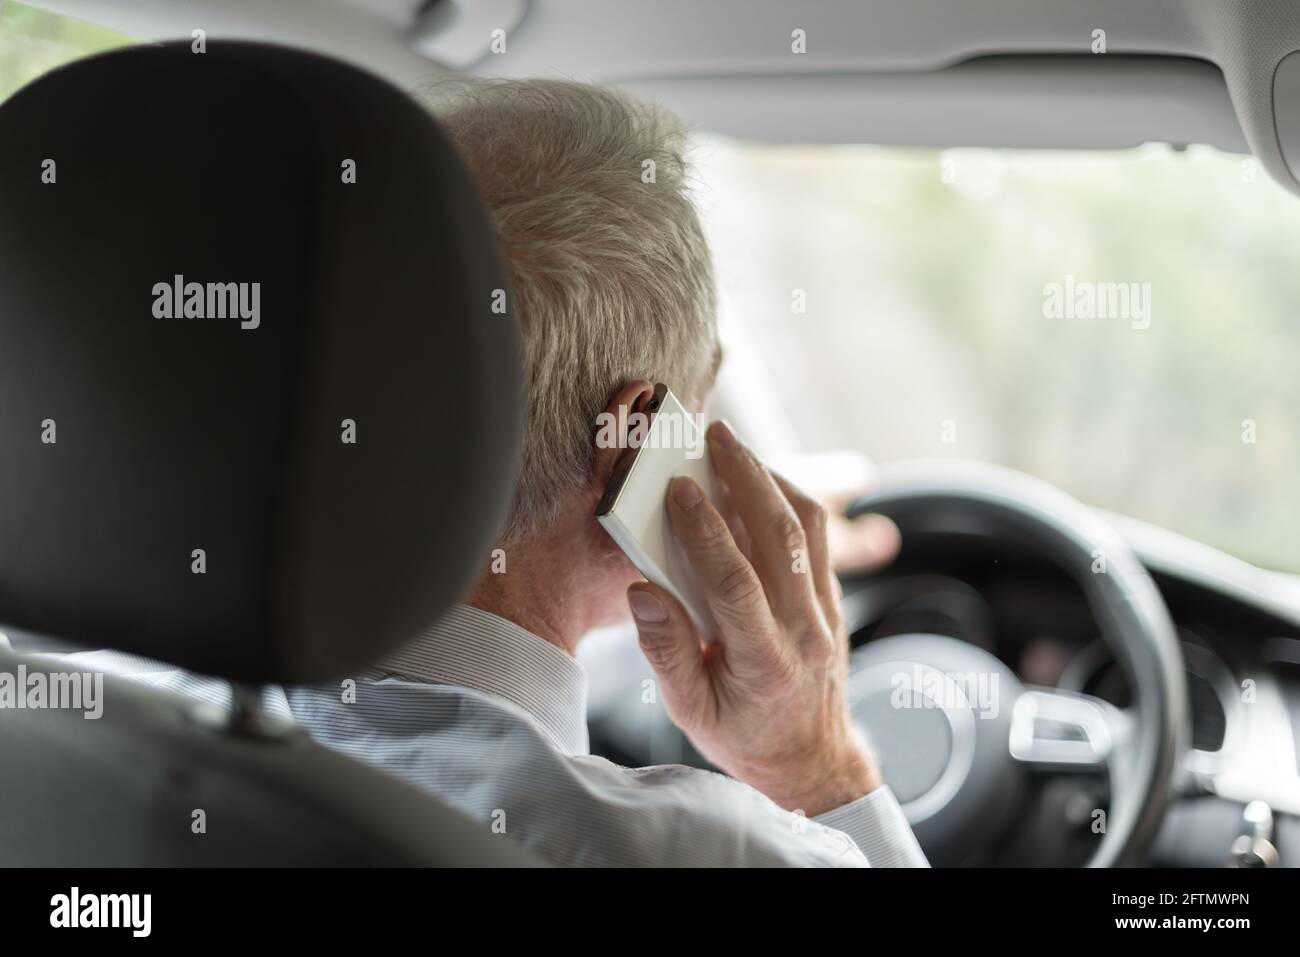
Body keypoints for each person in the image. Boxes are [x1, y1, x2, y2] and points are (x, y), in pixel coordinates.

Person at [73, 78, 927, 867]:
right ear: (636, 441)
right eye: (695, 423)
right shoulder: (696, 850)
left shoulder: (67, 717)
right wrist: (815, 765)